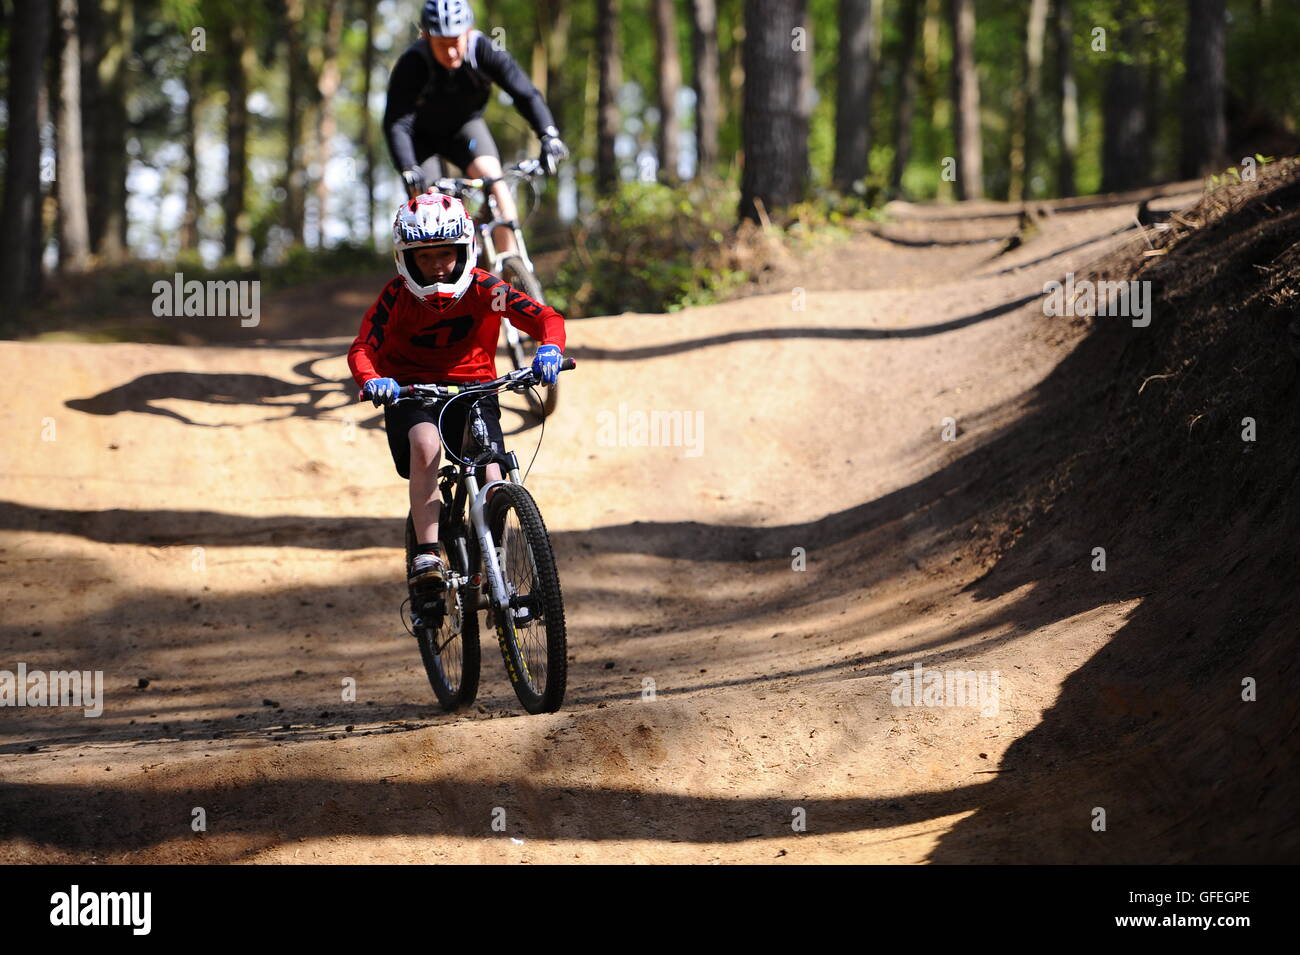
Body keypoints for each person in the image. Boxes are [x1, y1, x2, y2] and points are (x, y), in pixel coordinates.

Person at [348, 193, 566, 584]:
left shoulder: (486, 288)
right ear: (405, 258)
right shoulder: (396, 296)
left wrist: (549, 348)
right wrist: (373, 380)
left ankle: (493, 560)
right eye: (425, 257)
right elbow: (363, 347)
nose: (437, 266)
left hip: (475, 389)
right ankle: (428, 555)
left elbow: (544, 317)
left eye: (446, 254)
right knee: (426, 445)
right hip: (411, 392)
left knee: (492, 468)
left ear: (466, 250)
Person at [383, 0, 568, 256]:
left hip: (464, 131)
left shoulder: (484, 50)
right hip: (421, 140)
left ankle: (511, 268)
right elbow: (396, 122)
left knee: (496, 182)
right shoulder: (412, 64)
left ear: (468, 32)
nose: (450, 53)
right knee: (431, 205)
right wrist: (407, 166)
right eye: (441, 45)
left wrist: (548, 134)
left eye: (455, 43)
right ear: (426, 37)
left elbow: (525, 94)